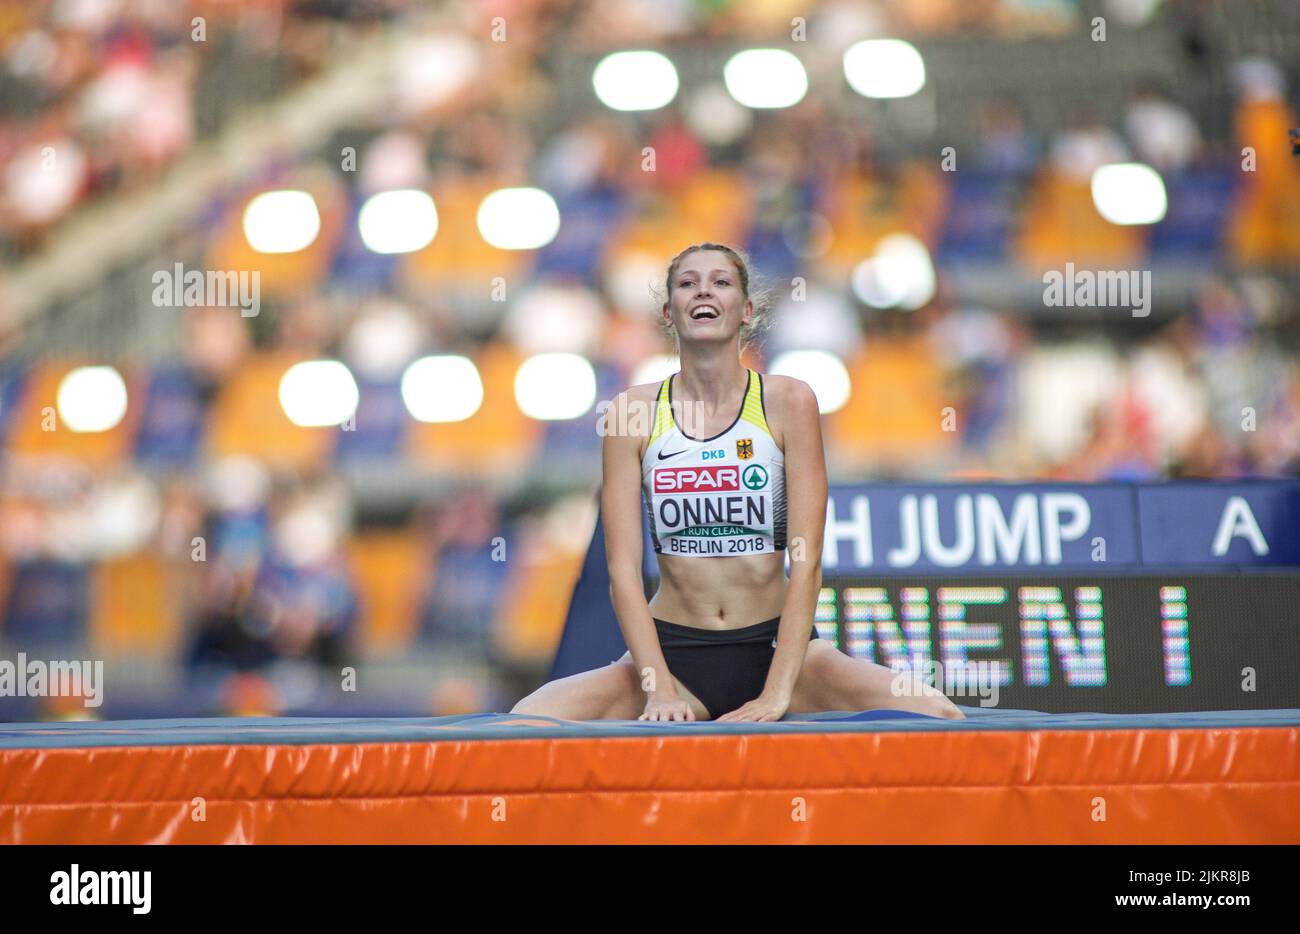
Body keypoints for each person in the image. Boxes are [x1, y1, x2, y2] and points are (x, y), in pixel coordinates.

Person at [513, 244, 964, 722]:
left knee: (938, 715)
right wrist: (659, 688)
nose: (704, 290)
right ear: (669, 311)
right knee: (527, 721)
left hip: (777, 651)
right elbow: (623, 573)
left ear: (746, 310)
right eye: (687, 283)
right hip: (673, 654)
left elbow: (806, 564)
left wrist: (776, 693)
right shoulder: (632, 411)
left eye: (721, 282)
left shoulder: (789, 401)